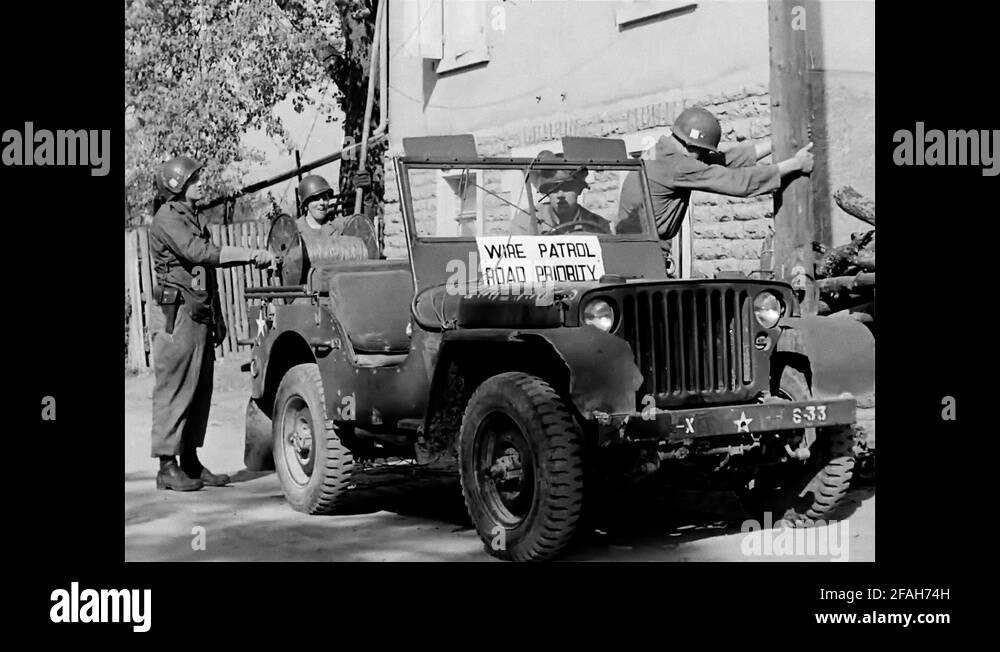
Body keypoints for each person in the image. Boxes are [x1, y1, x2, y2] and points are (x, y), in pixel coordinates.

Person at [148, 155, 275, 491]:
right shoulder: (167, 218)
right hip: (176, 315)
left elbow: (205, 274)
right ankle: (166, 466)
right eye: (193, 180)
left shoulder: (192, 216)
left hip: (198, 311)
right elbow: (200, 254)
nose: (200, 183)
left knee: (200, 389)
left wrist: (216, 315)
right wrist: (250, 254)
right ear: (178, 185)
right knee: (175, 388)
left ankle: (189, 461)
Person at [617, 106, 815, 267]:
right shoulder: (677, 165)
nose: (704, 157)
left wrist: (777, 145)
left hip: (630, 250)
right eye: (703, 152)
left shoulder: (662, 151)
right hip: (644, 256)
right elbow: (738, 183)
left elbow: (720, 161)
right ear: (692, 146)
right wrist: (795, 164)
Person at [510, 153, 611, 234]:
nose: (560, 195)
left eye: (567, 188)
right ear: (547, 192)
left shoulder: (597, 225)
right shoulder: (527, 222)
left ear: (579, 190)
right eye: (554, 189)